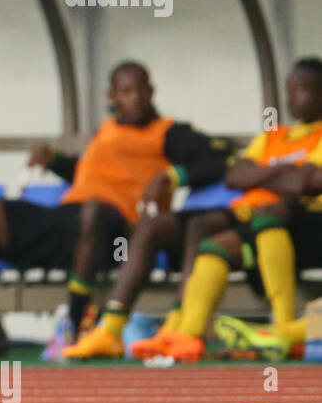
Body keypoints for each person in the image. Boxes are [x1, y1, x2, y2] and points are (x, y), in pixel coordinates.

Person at [0, 61, 226, 360]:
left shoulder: (170, 132)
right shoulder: (107, 130)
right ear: (111, 97)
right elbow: (85, 174)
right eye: (127, 91)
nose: (137, 98)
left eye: (142, 89)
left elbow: (220, 157)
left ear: (152, 91)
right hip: (68, 220)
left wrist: (172, 177)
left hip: (118, 235)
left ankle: (74, 325)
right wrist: (52, 160)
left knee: (93, 212)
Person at [131, 58, 322, 362]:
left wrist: (263, 175)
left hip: (309, 223)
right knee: (214, 247)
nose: (290, 98)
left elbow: (309, 183)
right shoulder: (273, 135)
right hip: (265, 226)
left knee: (270, 212)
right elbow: (235, 177)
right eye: (289, 89)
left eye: (301, 89)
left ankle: (282, 330)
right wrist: (283, 172)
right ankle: (188, 336)